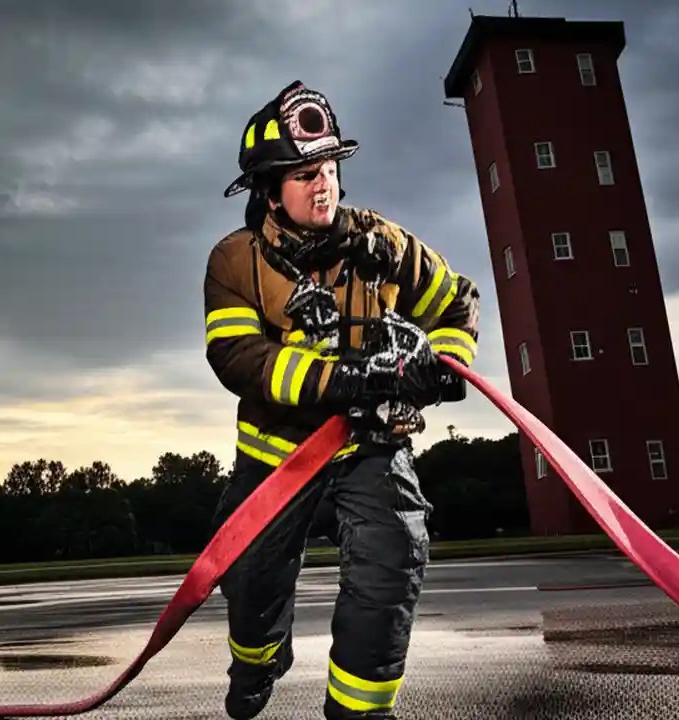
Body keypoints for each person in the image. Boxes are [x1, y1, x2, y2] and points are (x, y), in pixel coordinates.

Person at [202, 80, 481, 719]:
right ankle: (257, 663)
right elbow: (239, 358)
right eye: (304, 174)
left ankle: (359, 712)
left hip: (370, 448)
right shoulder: (233, 260)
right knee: (249, 582)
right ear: (270, 191)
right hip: (276, 456)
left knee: (393, 562)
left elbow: (455, 301)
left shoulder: (379, 243)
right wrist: (346, 382)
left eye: (327, 168)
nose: (322, 183)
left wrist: (443, 367)